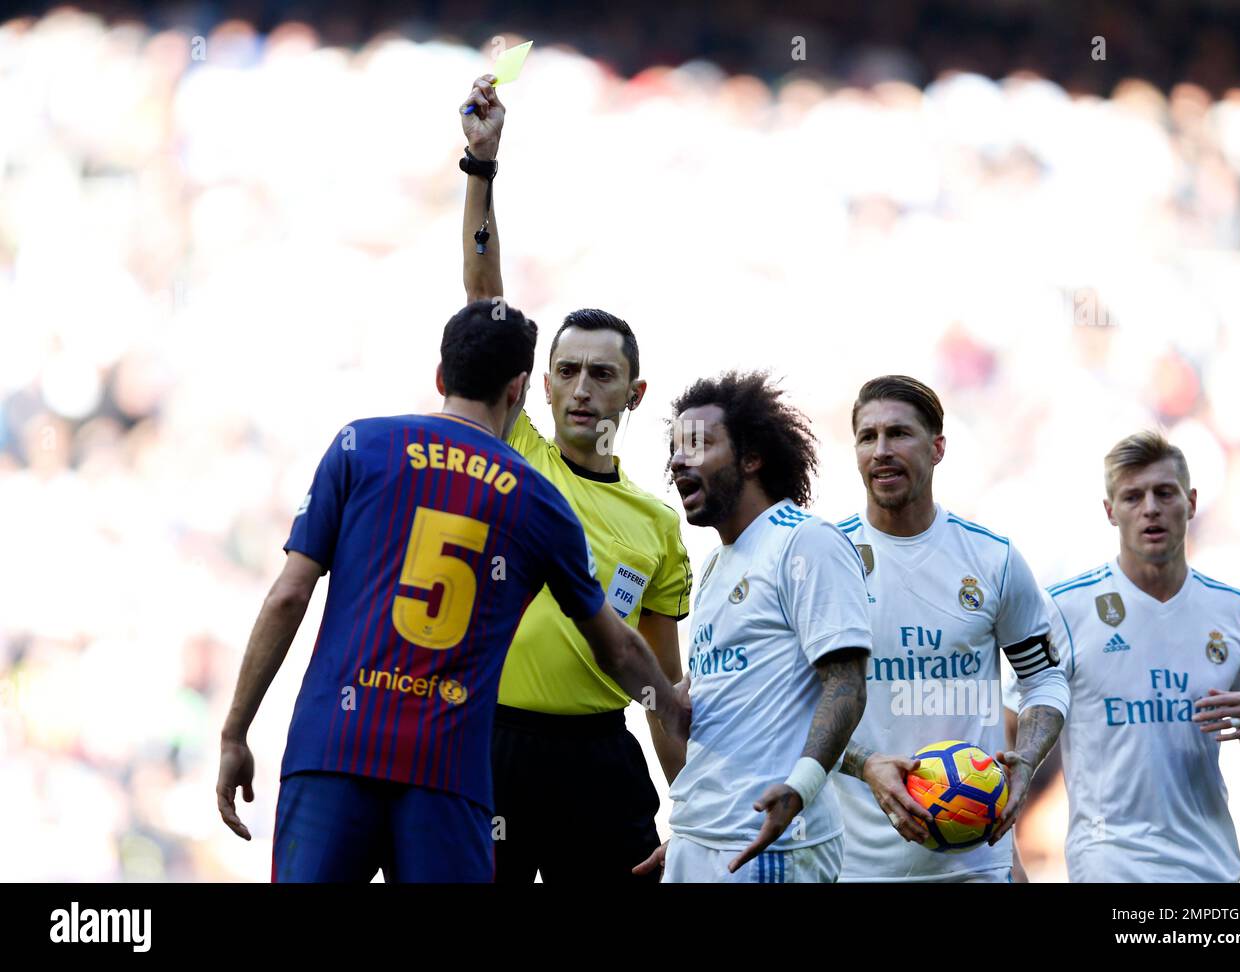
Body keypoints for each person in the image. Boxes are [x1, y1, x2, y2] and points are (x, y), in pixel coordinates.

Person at [215, 301, 689, 882]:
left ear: (441, 377)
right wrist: (675, 707)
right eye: (565, 373)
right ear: (523, 389)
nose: (582, 390)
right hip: (448, 762)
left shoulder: (357, 447)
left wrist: (235, 730)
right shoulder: (534, 496)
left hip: (336, 746)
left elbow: (288, 597)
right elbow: (618, 649)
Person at [460, 75, 693, 882]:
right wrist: (480, 167)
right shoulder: (515, 447)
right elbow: (482, 301)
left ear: (634, 394)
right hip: (492, 742)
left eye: (602, 373)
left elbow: (661, 692)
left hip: (598, 757)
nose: (584, 387)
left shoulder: (657, 527)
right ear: (541, 385)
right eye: (568, 370)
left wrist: (692, 816)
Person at [1016, 430, 1240, 882]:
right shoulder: (1066, 609)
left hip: (1208, 866)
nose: (1150, 508)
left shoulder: (1233, 610)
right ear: (1110, 511)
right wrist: (1009, 855)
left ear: (1192, 502)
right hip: (1107, 864)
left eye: (1164, 493)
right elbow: (1013, 728)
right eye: (1132, 496)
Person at [635, 371, 871, 883]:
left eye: (697, 445)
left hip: (775, 845)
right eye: (674, 450)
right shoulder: (718, 567)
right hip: (703, 840)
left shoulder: (807, 543)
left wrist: (800, 787)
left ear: (751, 457)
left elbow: (847, 684)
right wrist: (694, 832)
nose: (677, 461)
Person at [831, 375, 1069, 882]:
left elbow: (1044, 679)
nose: (881, 450)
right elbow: (789, 702)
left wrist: (1025, 760)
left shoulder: (992, 559)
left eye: (898, 433)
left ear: (938, 447)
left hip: (975, 861)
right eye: (867, 437)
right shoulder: (826, 560)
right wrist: (865, 764)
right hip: (856, 864)